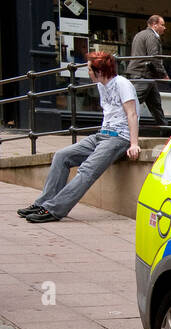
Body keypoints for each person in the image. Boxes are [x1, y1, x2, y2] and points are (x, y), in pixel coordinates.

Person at [17, 52, 140, 223]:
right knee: (62, 156)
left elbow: (132, 114)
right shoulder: (101, 85)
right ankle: (43, 204)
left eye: (90, 69)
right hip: (103, 134)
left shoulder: (122, 84)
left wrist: (134, 144)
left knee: (87, 169)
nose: (87, 72)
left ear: (100, 70)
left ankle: (53, 210)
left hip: (119, 138)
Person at [127, 14, 168, 127]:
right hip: (144, 74)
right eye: (162, 25)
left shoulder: (140, 34)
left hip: (142, 73)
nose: (165, 28)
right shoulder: (152, 37)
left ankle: (165, 129)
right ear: (154, 25)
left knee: (155, 104)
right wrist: (163, 74)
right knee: (133, 101)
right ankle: (121, 127)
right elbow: (154, 57)